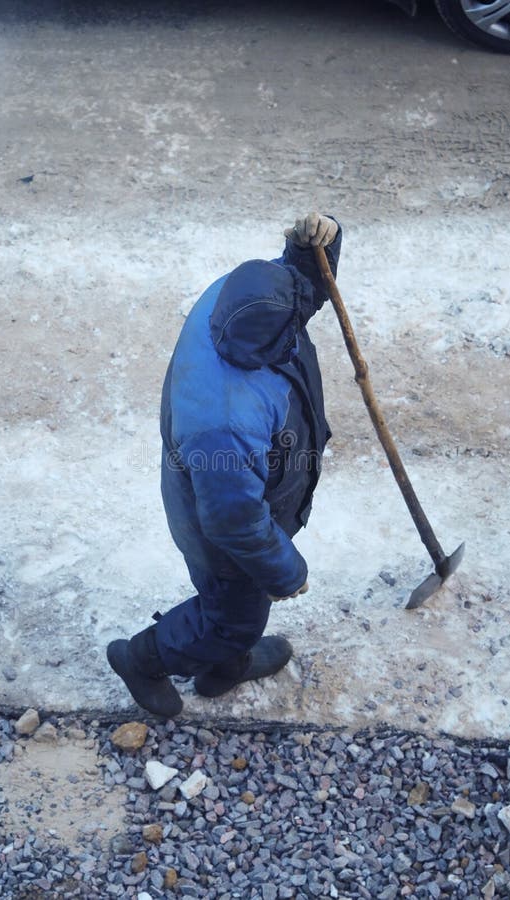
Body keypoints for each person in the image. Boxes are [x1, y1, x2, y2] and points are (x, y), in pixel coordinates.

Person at [107, 212, 342, 718]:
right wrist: (286, 572)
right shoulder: (228, 422)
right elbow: (234, 521)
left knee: (240, 603)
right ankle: (143, 659)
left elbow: (295, 292)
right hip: (217, 518)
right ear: (266, 346)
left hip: (243, 491)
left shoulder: (231, 299)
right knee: (233, 609)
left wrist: (310, 248)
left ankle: (225, 665)